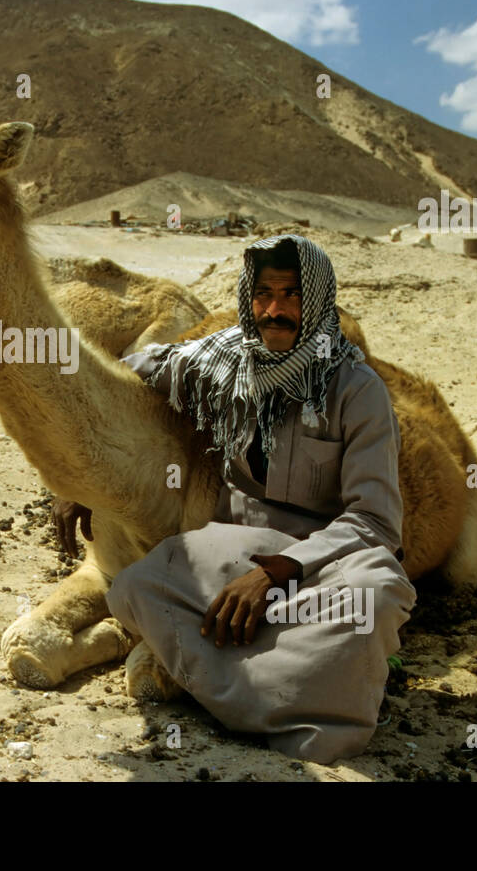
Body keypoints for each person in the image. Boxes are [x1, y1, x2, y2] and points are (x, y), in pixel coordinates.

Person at [55, 233, 416, 764]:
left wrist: (275, 572)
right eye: (264, 294)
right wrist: (80, 477)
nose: (275, 310)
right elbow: (121, 378)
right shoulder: (223, 361)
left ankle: (243, 693)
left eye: (292, 294)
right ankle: (291, 691)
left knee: (378, 596)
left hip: (322, 564)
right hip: (232, 551)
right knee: (133, 588)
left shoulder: (357, 390)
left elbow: (375, 521)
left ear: (316, 300)